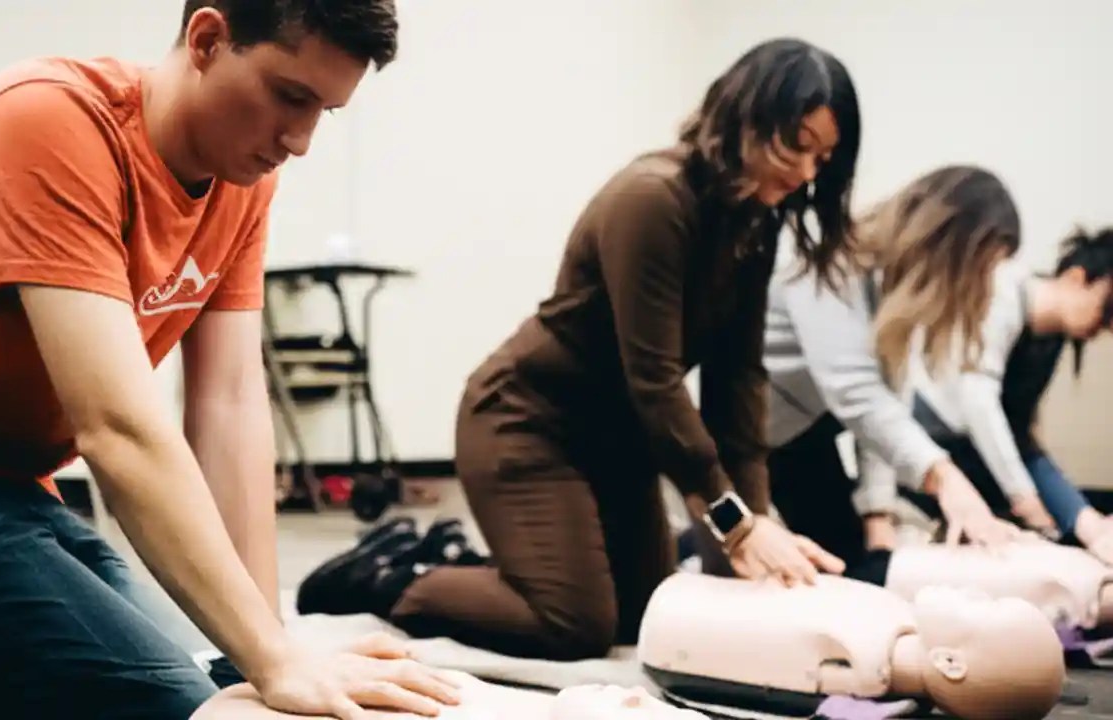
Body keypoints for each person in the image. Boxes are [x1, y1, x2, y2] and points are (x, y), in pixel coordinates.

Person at [0, 2, 463, 719]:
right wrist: (274, 659)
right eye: (289, 96)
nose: (300, 139)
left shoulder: (242, 181)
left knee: (215, 680)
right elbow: (117, 428)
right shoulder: (48, 118)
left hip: (4, 484)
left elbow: (227, 403)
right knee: (181, 707)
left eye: (325, 111)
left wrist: (264, 647)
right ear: (207, 39)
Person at [297, 37, 862, 661]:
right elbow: (655, 380)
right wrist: (734, 523)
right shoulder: (654, 198)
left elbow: (739, 381)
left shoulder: (755, 218)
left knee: (646, 619)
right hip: (527, 424)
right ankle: (396, 575)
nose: (808, 173)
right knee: (574, 625)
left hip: (618, 443)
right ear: (745, 117)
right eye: (798, 146)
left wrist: (757, 523)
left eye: (823, 157)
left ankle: (492, 563)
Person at [758, 165, 1023, 572]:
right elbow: (855, 393)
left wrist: (877, 513)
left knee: (849, 566)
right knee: (778, 573)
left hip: (805, 428)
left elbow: (884, 402)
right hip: (748, 434)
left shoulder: (890, 287)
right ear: (949, 247)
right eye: (980, 269)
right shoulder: (829, 258)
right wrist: (945, 478)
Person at [899, 228, 1113, 558]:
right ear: (1075, 278)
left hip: (977, 459)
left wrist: (1083, 518)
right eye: (1107, 308)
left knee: (1079, 526)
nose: (1105, 326)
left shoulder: (1051, 340)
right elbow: (978, 406)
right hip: (929, 447)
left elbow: (1018, 436)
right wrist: (1024, 499)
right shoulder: (1004, 290)